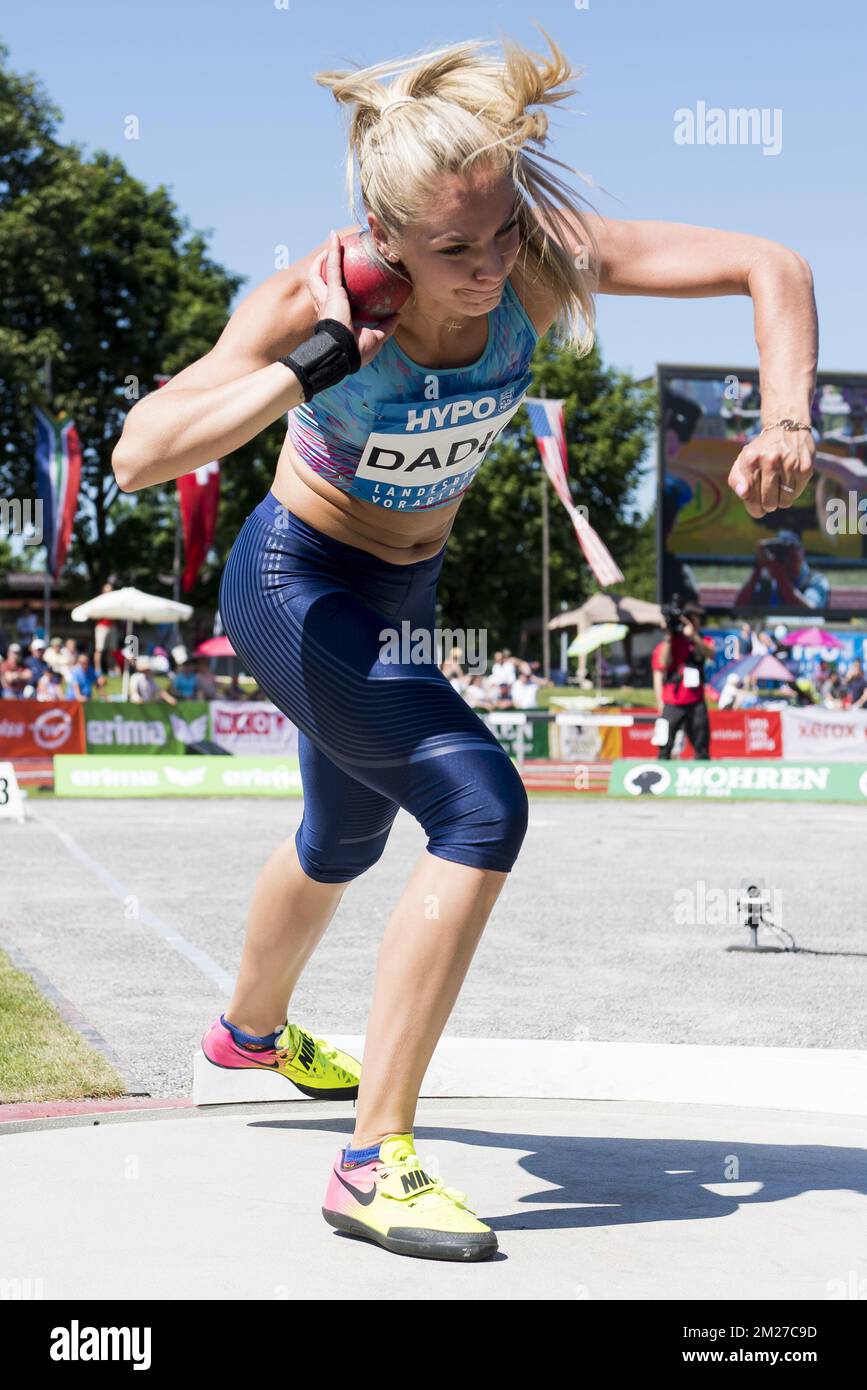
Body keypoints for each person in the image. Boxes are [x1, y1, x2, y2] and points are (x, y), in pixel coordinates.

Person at [111, 32, 818, 1262]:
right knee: (479, 802)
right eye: (454, 248)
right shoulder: (306, 304)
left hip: (398, 591)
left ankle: (247, 1036)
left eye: (501, 232)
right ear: (383, 233)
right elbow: (140, 453)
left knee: (341, 834)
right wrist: (315, 364)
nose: (491, 267)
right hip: (294, 582)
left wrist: (790, 411)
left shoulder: (537, 262)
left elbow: (773, 262)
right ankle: (372, 1161)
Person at [651, 602, 716, 759]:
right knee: (664, 744)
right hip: (672, 701)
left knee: (702, 745)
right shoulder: (668, 643)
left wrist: (693, 636)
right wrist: (668, 637)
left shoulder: (701, 640)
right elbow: (661, 666)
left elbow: (710, 653)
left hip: (696, 701)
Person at [735, 531, 829, 611]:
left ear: (802, 552)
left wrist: (781, 578)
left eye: (790, 550)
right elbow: (739, 609)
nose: (787, 556)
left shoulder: (816, 580)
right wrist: (758, 568)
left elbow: (811, 612)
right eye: (781, 551)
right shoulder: (767, 580)